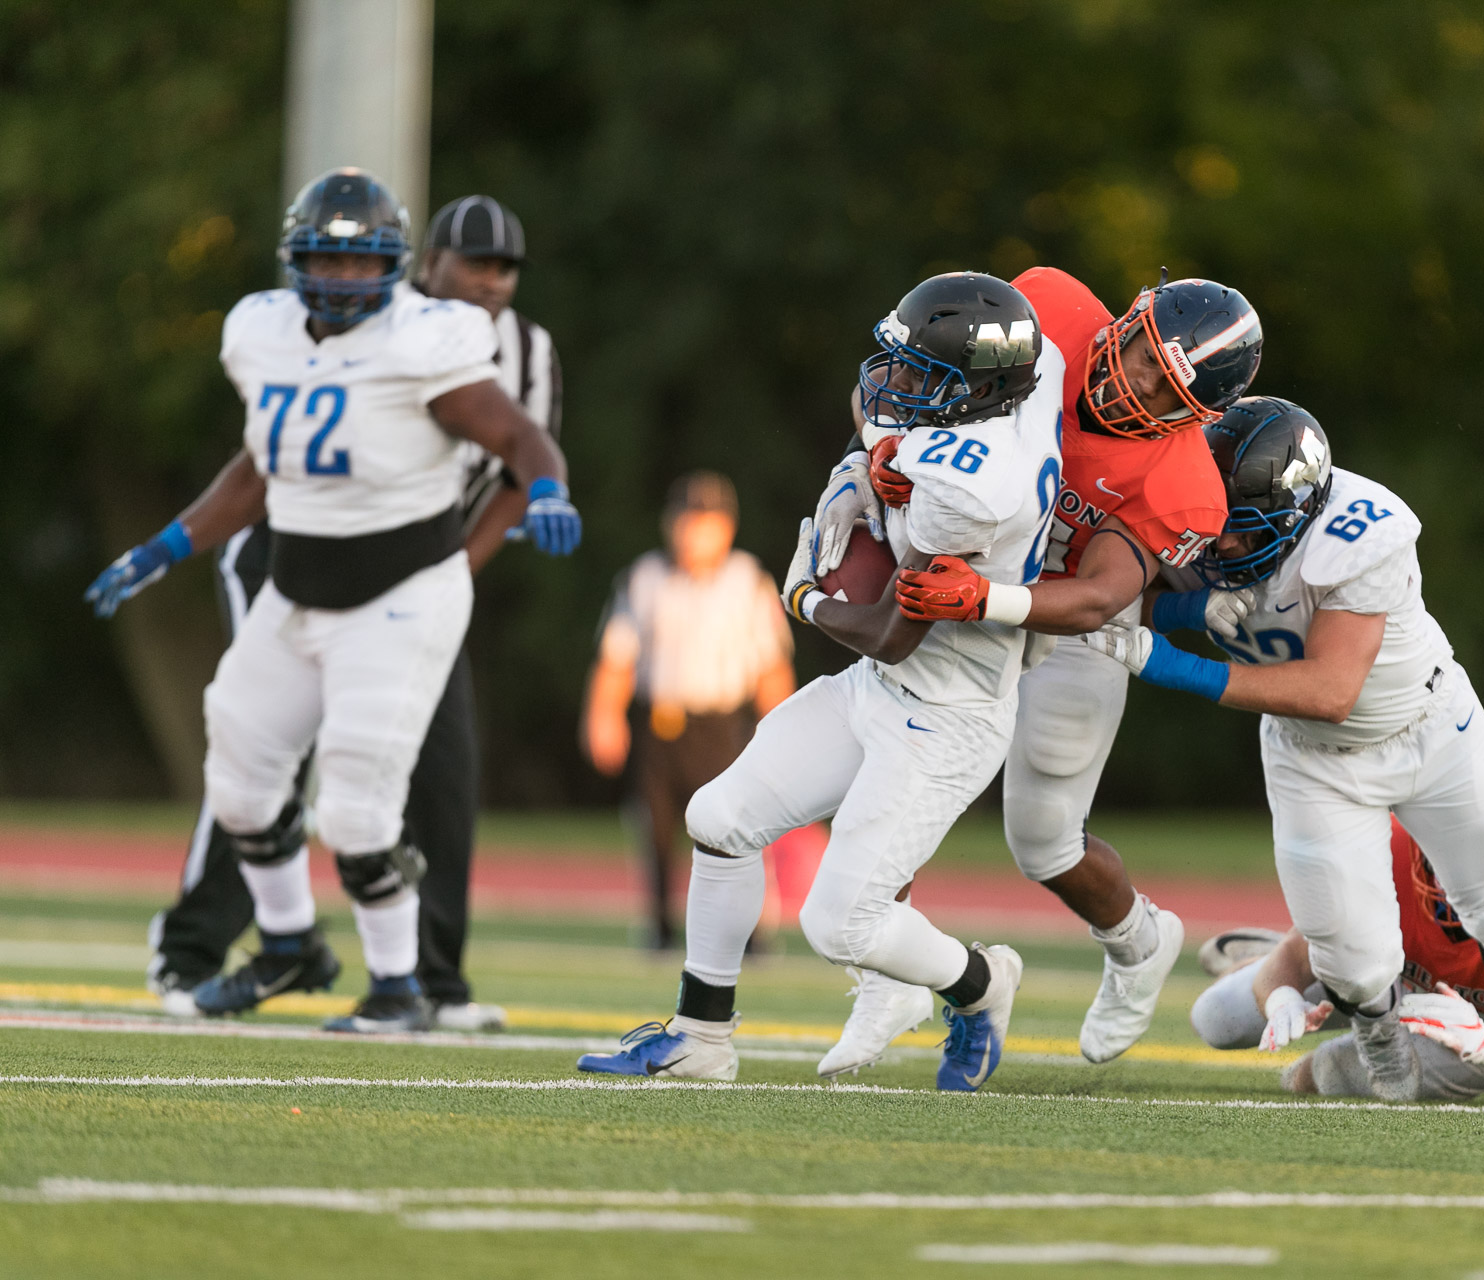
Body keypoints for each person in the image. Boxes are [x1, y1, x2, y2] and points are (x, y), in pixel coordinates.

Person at [84, 169, 579, 1032]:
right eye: (325, 261)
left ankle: (398, 988)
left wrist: (546, 489)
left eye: (360, 267)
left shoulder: (426, 340)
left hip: (401, 591)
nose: (342, 281)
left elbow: (517, 433)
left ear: (395, 268)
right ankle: (289, 946)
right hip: (298, 585)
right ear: (295, 262)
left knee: (355, 806)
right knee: (238, 778)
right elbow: (257, 469)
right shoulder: (262, 333)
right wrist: (166, 545)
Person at [578, 271, 1060, 1090]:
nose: (894, 383)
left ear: (973, 393)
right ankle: (701, 1035)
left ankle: (980, 985)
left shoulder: (970, 495)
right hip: (879, 691)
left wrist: (802, 596)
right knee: (719, 818)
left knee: (840, 923)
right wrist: (854, 474)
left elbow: (889, 635)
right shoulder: (1025, 379)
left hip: (946, 714)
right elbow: (875, 417)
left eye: (920, 377)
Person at [811, 267, 1263, 1074]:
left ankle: (1139, 942)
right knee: (882, 762)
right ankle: (886, 975)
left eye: (1165, 390)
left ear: (1200, 418)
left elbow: (1097, 598)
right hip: (957, 577)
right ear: (1126, 320)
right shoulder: (1048, 307)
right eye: (1141, 354)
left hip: (1050, 619)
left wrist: (986, 597)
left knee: (1043, 840)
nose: (1135, 381)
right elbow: (901, 374)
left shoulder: (1186, 483)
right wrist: (874, 452)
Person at [1088, 397, 1484, 1100]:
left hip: (1427, 726)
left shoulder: (1360, 532)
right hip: (1312, 755)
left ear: (1294, 510)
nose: (1217, 546)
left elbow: (1330, 690)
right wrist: (1182, 608)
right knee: (1353, 960)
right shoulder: (1197, 505)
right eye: (1211, 524)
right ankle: (1379, 1040)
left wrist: (1168, 662)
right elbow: (1125, 588)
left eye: (1237, 528)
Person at [1190, 743, 1484, 1112]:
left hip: (1479, 1024)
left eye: (1481, 851)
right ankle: (1297, 963)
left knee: (1322, 1076)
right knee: (1215, 1018)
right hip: (1388, 973)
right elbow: (1294, 961)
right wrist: (1280, 997)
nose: (1454, 875)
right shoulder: (1394, 846)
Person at [581, 471, 797, 948]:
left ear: (727, 528)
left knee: (733, 831)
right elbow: (617, 657)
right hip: (661, 723)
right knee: (654, 828)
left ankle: (747, 932)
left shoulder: (749, 581)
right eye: (686, 520)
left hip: (720, 725)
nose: (694, 532)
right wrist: (603, 715)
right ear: (669, 524)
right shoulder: (645, 577)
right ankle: (659, 928)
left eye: (706, 522)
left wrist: (781, 736)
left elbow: (770, 668)